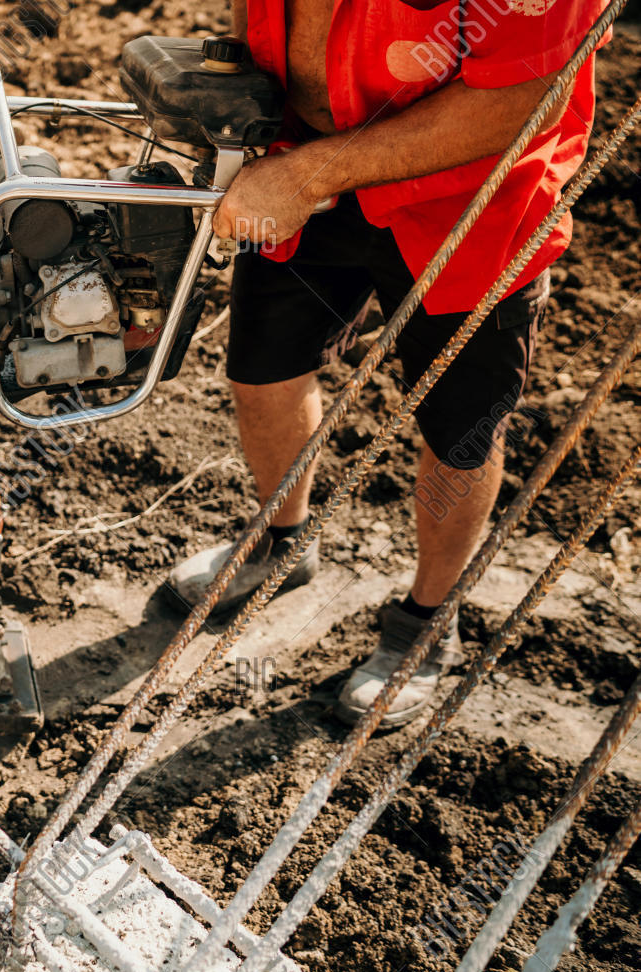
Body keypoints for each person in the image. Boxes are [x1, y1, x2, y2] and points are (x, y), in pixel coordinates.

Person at [167, 0, 611, 727]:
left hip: (472, 194)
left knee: (459, 428)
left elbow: (514, 101)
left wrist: (312, 174)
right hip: (298, 153)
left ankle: (427, 621)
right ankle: (281, 543)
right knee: (263, 372)